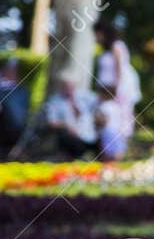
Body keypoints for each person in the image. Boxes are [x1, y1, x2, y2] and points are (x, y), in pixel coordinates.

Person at [94, 20, 140, 148]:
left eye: (97, 34)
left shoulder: (117, 46)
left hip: (118, 90)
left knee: (122, 116)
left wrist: (116, 89)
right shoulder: (105, 50)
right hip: (107, 90)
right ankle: (108, 146)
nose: (96, 37)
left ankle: (120, 147)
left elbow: (119, 69)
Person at [42, 76, 99, 159]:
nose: (69, 89)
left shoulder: (82, 95)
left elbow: (100, 99)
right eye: (66, 86)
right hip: (71, 136)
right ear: (61, 87)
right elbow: (51, 122)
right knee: (64, 136)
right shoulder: (55, 100)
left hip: (89, 135)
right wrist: (66, 125)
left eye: (71, 86)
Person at [0, 58, 32, 151]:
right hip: (3, 131)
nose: (11, 73)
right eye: (9, 70)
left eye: (13, 70)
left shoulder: (22, 90)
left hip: (19, 131)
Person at [95, 83, 131, 161]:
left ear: (104, 95)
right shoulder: (116, 106)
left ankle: (108, 165)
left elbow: (103, 120)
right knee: (117, 153)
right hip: (117, 132)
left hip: (107, 132)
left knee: (107, 153)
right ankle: (115, 165)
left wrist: (96, 123)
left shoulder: (104, 106)